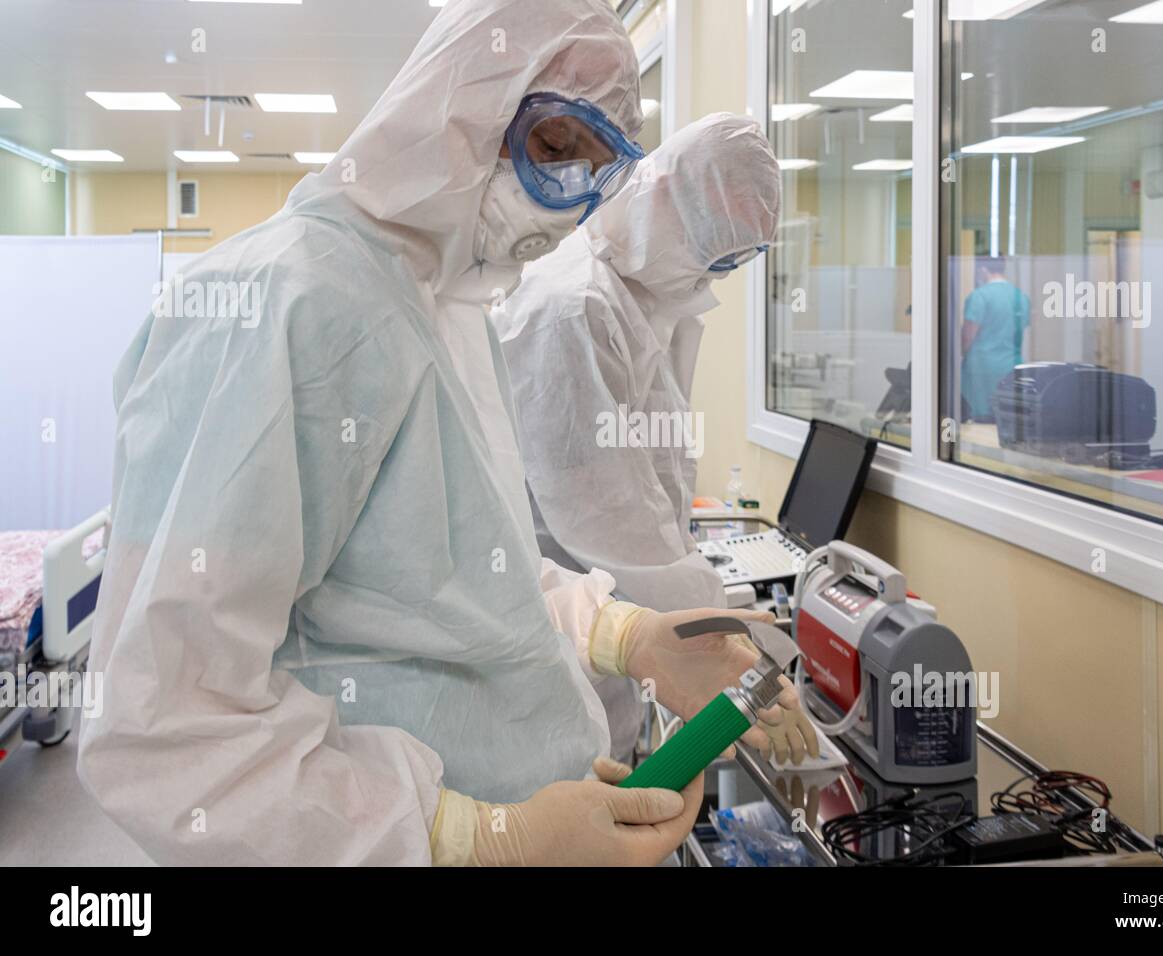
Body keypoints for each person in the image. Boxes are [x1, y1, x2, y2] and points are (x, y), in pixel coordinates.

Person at [78, 0, 799, 867]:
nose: (567, 203)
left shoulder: (448, 311)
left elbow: (461, 575)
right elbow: (164, 733)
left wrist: (623, 634)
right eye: (553, 148)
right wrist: (472, 838)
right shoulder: (282, 305)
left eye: (595, 172)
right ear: (460, 99)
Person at [493, 114, 814, 766]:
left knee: (606, 772)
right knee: (569, 789)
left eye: (732, 261)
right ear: (662, 196)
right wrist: (731, 643)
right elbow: (614, 524)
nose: (712, 277)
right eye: (710, 250)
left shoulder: (642, 300)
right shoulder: (574, 308)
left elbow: (655, 485)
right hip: (555, 637)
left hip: (609, 631)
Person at [960, 257, 1030, 422]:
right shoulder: (1021, 297)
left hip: (981, 369)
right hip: (1010, 367)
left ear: (983, 270)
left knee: (979, 420)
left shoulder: (979, 296)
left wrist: (960, 353)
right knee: (1005, 418)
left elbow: (968, 336)